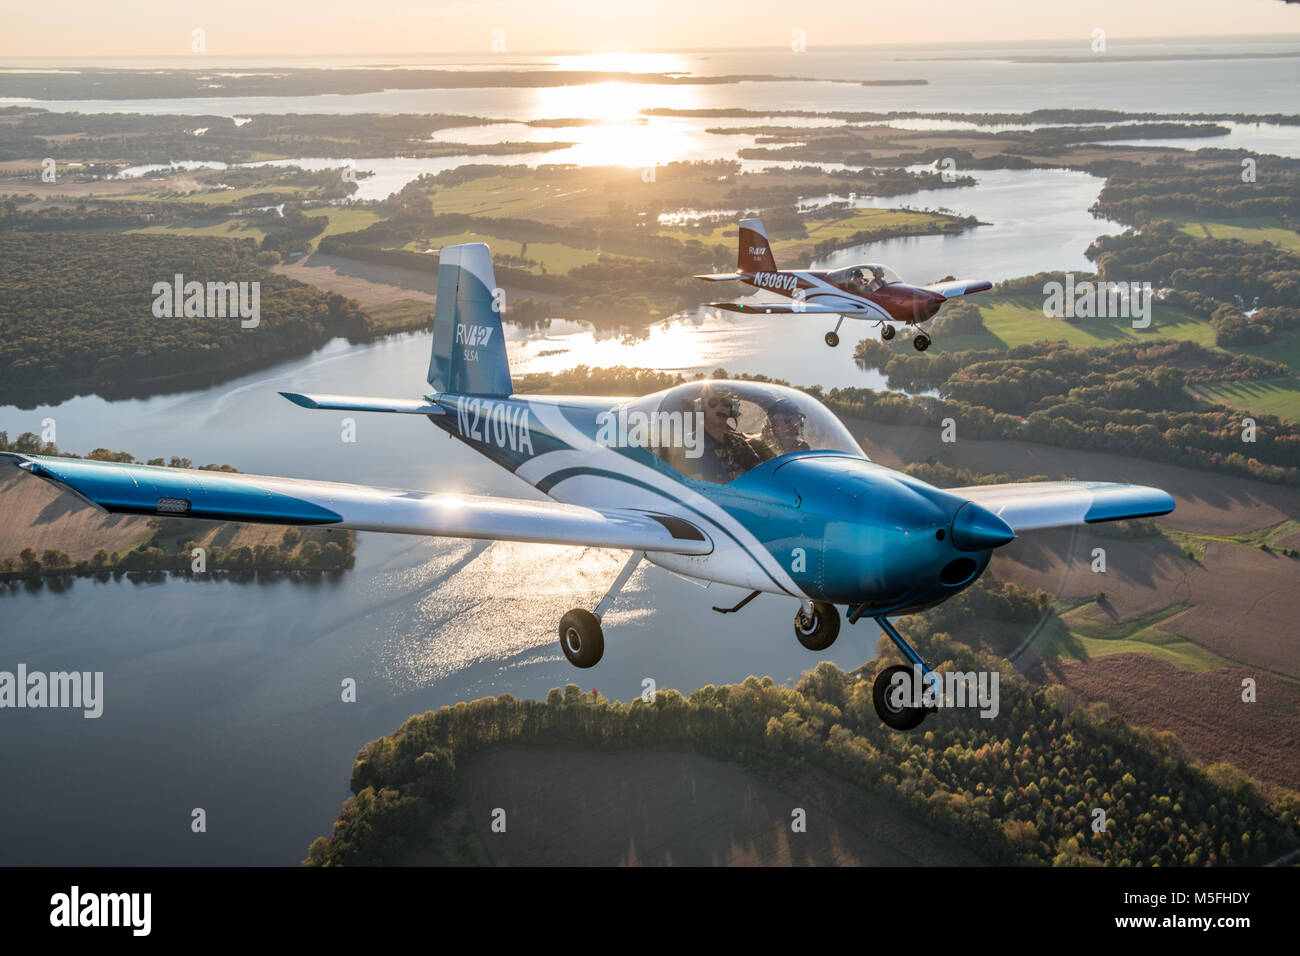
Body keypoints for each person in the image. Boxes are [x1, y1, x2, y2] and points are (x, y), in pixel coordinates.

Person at [696, 384, 760, 482]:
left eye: (725, 403)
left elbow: (761, 472)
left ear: (732, 409)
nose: (720, 407)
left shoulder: (740, 443)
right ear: (702, 407)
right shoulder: (691, 444)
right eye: (713, 402)